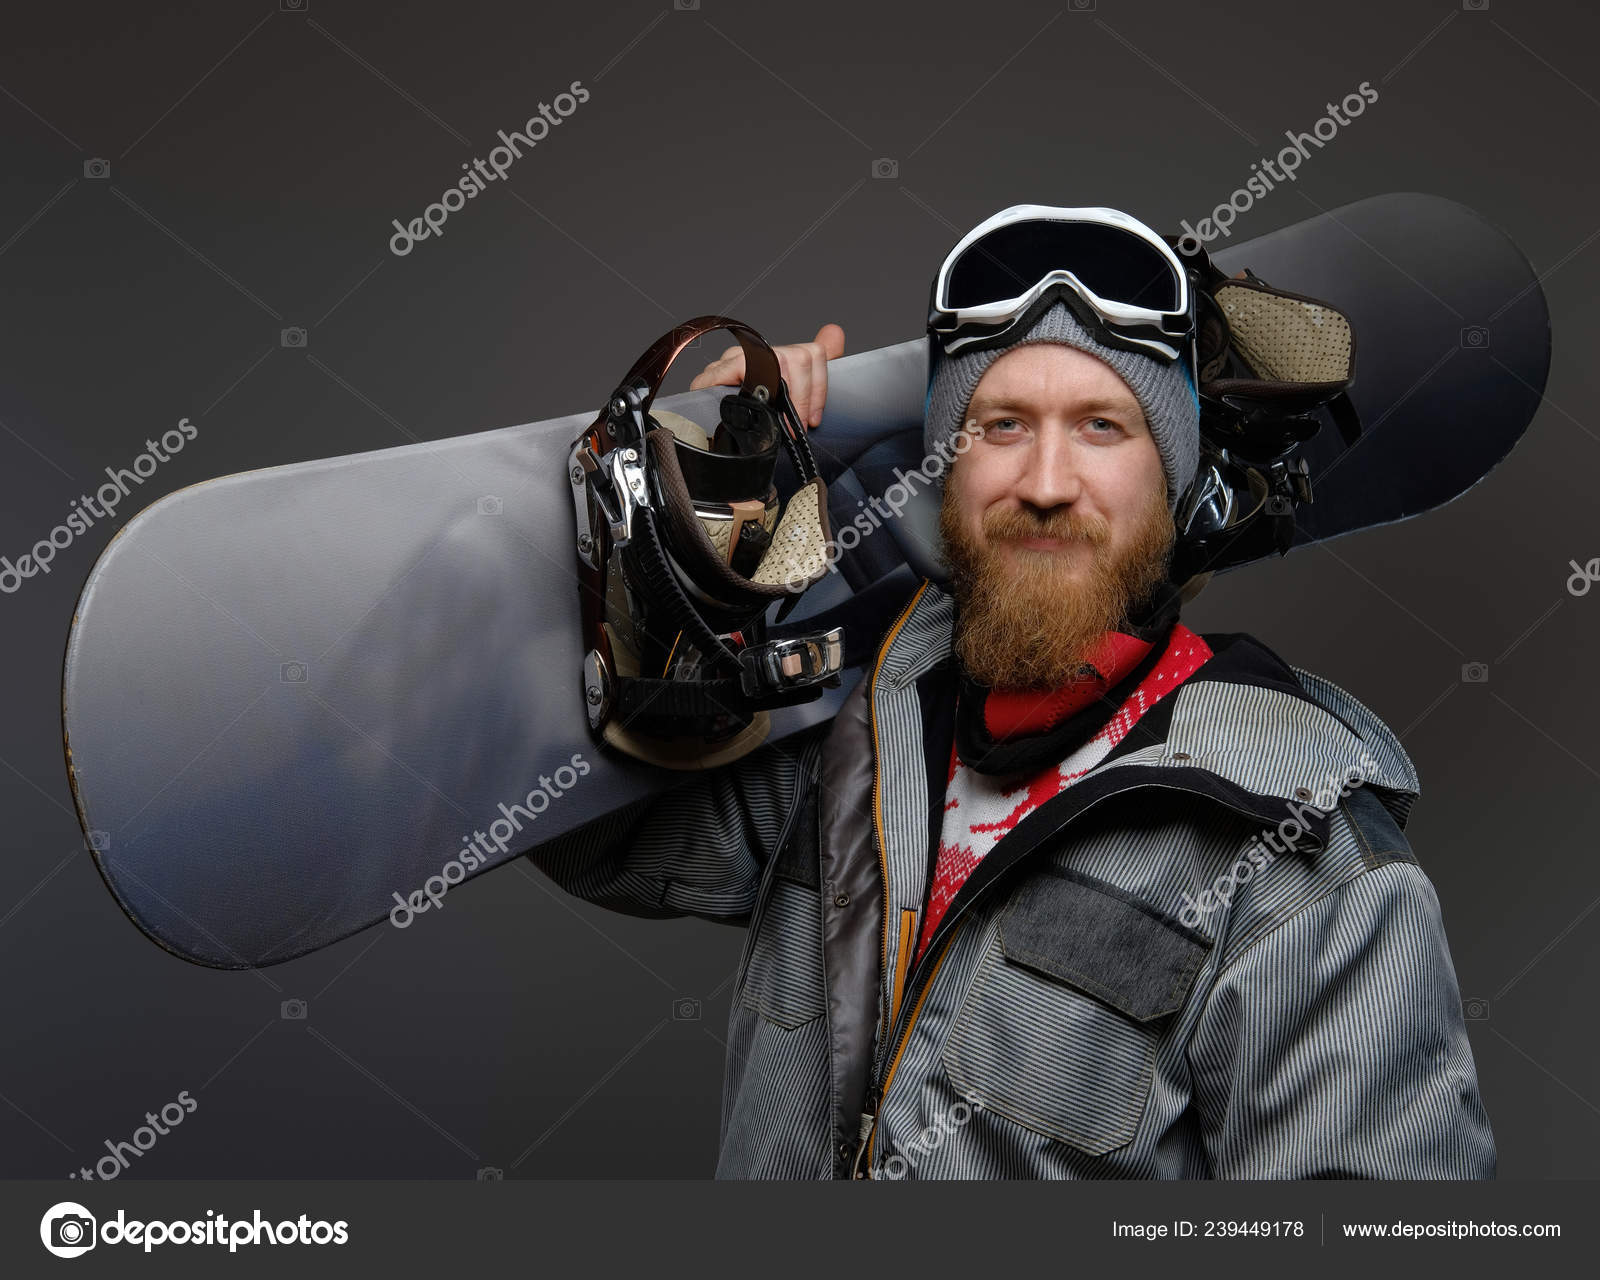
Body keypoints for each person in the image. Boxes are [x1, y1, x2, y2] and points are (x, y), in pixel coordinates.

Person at [529, 205, 1496, 1180]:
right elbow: (595, 835)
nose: (1045, 482)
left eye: (1101, 426)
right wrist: (707, 527)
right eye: (1000, 426)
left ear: (1172, 483)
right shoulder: (860, 729)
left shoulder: (1302, 861)